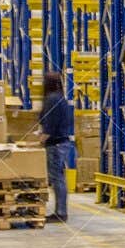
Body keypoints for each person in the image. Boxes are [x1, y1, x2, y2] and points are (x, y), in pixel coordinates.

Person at [38, 72, 75, 223]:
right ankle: (61, 211)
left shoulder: (52, 99)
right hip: (63, 143)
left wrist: (40, 141)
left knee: (57, 178)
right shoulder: (61, 98)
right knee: (59, 177)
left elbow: (50, 125)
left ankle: (61, 212)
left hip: (56, 144)